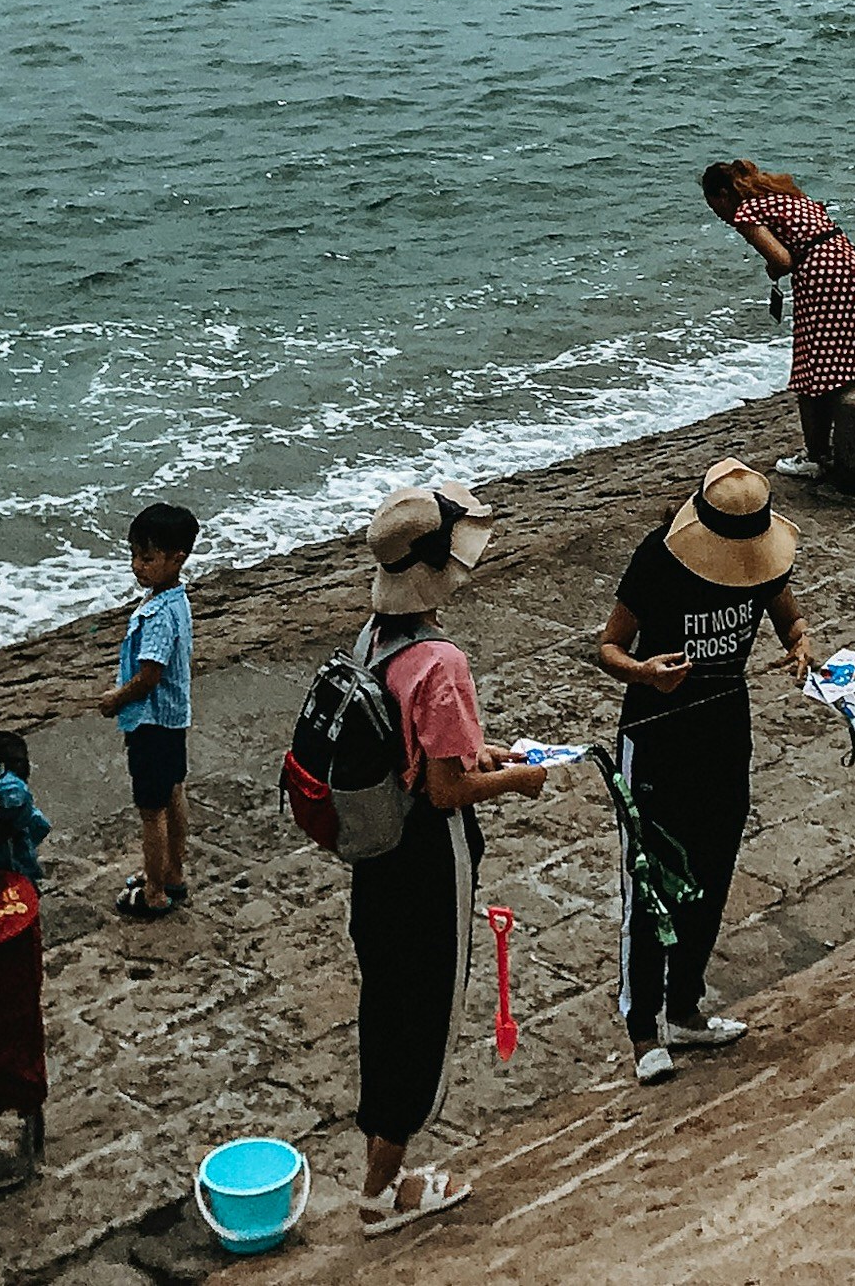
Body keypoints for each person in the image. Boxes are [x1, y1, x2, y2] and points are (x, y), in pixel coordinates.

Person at [338, 484, 559, 1235]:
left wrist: (478, 751)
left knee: (384, 1001)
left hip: (376, 856)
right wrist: (518, 777)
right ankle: (380, 1189)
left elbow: (415, 750)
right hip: (428, 860)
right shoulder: (441, 661)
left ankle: (381, 1161)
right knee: (425, 1014)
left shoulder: (371, 641)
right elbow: (445, 787)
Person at [586, 464, 800, 1086]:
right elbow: (609, 648)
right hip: (657, 735)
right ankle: (644, 1026)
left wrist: (799, 643)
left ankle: (685, 1007)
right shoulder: (659, 559)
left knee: (712, 867)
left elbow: (787, 613)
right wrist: (646, 671)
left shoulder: (765, 563)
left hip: (725, 730)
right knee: (652, 877)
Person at [710, 168, 855, 472]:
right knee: (842, 361)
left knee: (812, 369)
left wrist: (773, 272)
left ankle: (816, 456)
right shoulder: (784, 197)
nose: (720, 217)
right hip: (849, 262)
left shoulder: (747, 212)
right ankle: (840, 440)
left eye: (716, 208)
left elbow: (781, 260)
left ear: (724, 195)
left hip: (822, 276)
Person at [101, 502, 199, 920]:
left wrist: (115, 699)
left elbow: (149, 676)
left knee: (151, 809)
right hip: (173, 718)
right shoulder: (174, 600)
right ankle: (172, 871)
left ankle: (156, 889)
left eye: (146, 558)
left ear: (176, 558)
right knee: (173, 791)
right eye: (134, 557)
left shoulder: (159, 615)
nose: (137, 567)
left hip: (151, 721)